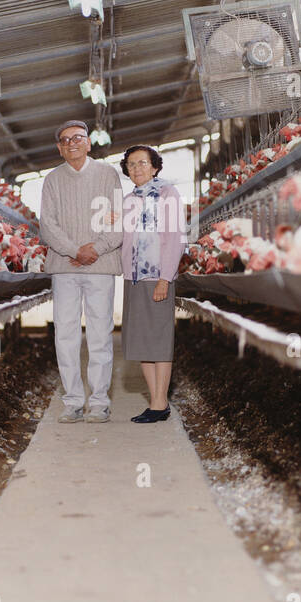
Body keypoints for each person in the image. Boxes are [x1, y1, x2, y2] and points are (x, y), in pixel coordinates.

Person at [39, 120, 123, 423]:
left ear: (88, 143)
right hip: (64, 267)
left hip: (100, 266)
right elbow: (47, 225)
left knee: (100, 333)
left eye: (78, 138)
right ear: (60, 149)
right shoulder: (52, 180)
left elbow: (118, 221)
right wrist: (75, 251)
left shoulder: (108, 174)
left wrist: (95, 250)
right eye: (65, 140)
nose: (72, 143)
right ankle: (73, 400)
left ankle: (99, 401)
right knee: (66, 333)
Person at [120, 144, 186, 424]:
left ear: (155, 166)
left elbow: (175, 239)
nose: (136, 168)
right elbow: (123, 240)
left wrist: (165, 278)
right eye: (131, 164)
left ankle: (159, 404)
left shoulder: (168, 194)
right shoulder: (128, 199)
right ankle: (156, 400)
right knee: (141, 341)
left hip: (157, 277)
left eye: (142, 163)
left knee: (158, 340)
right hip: (133, 279)